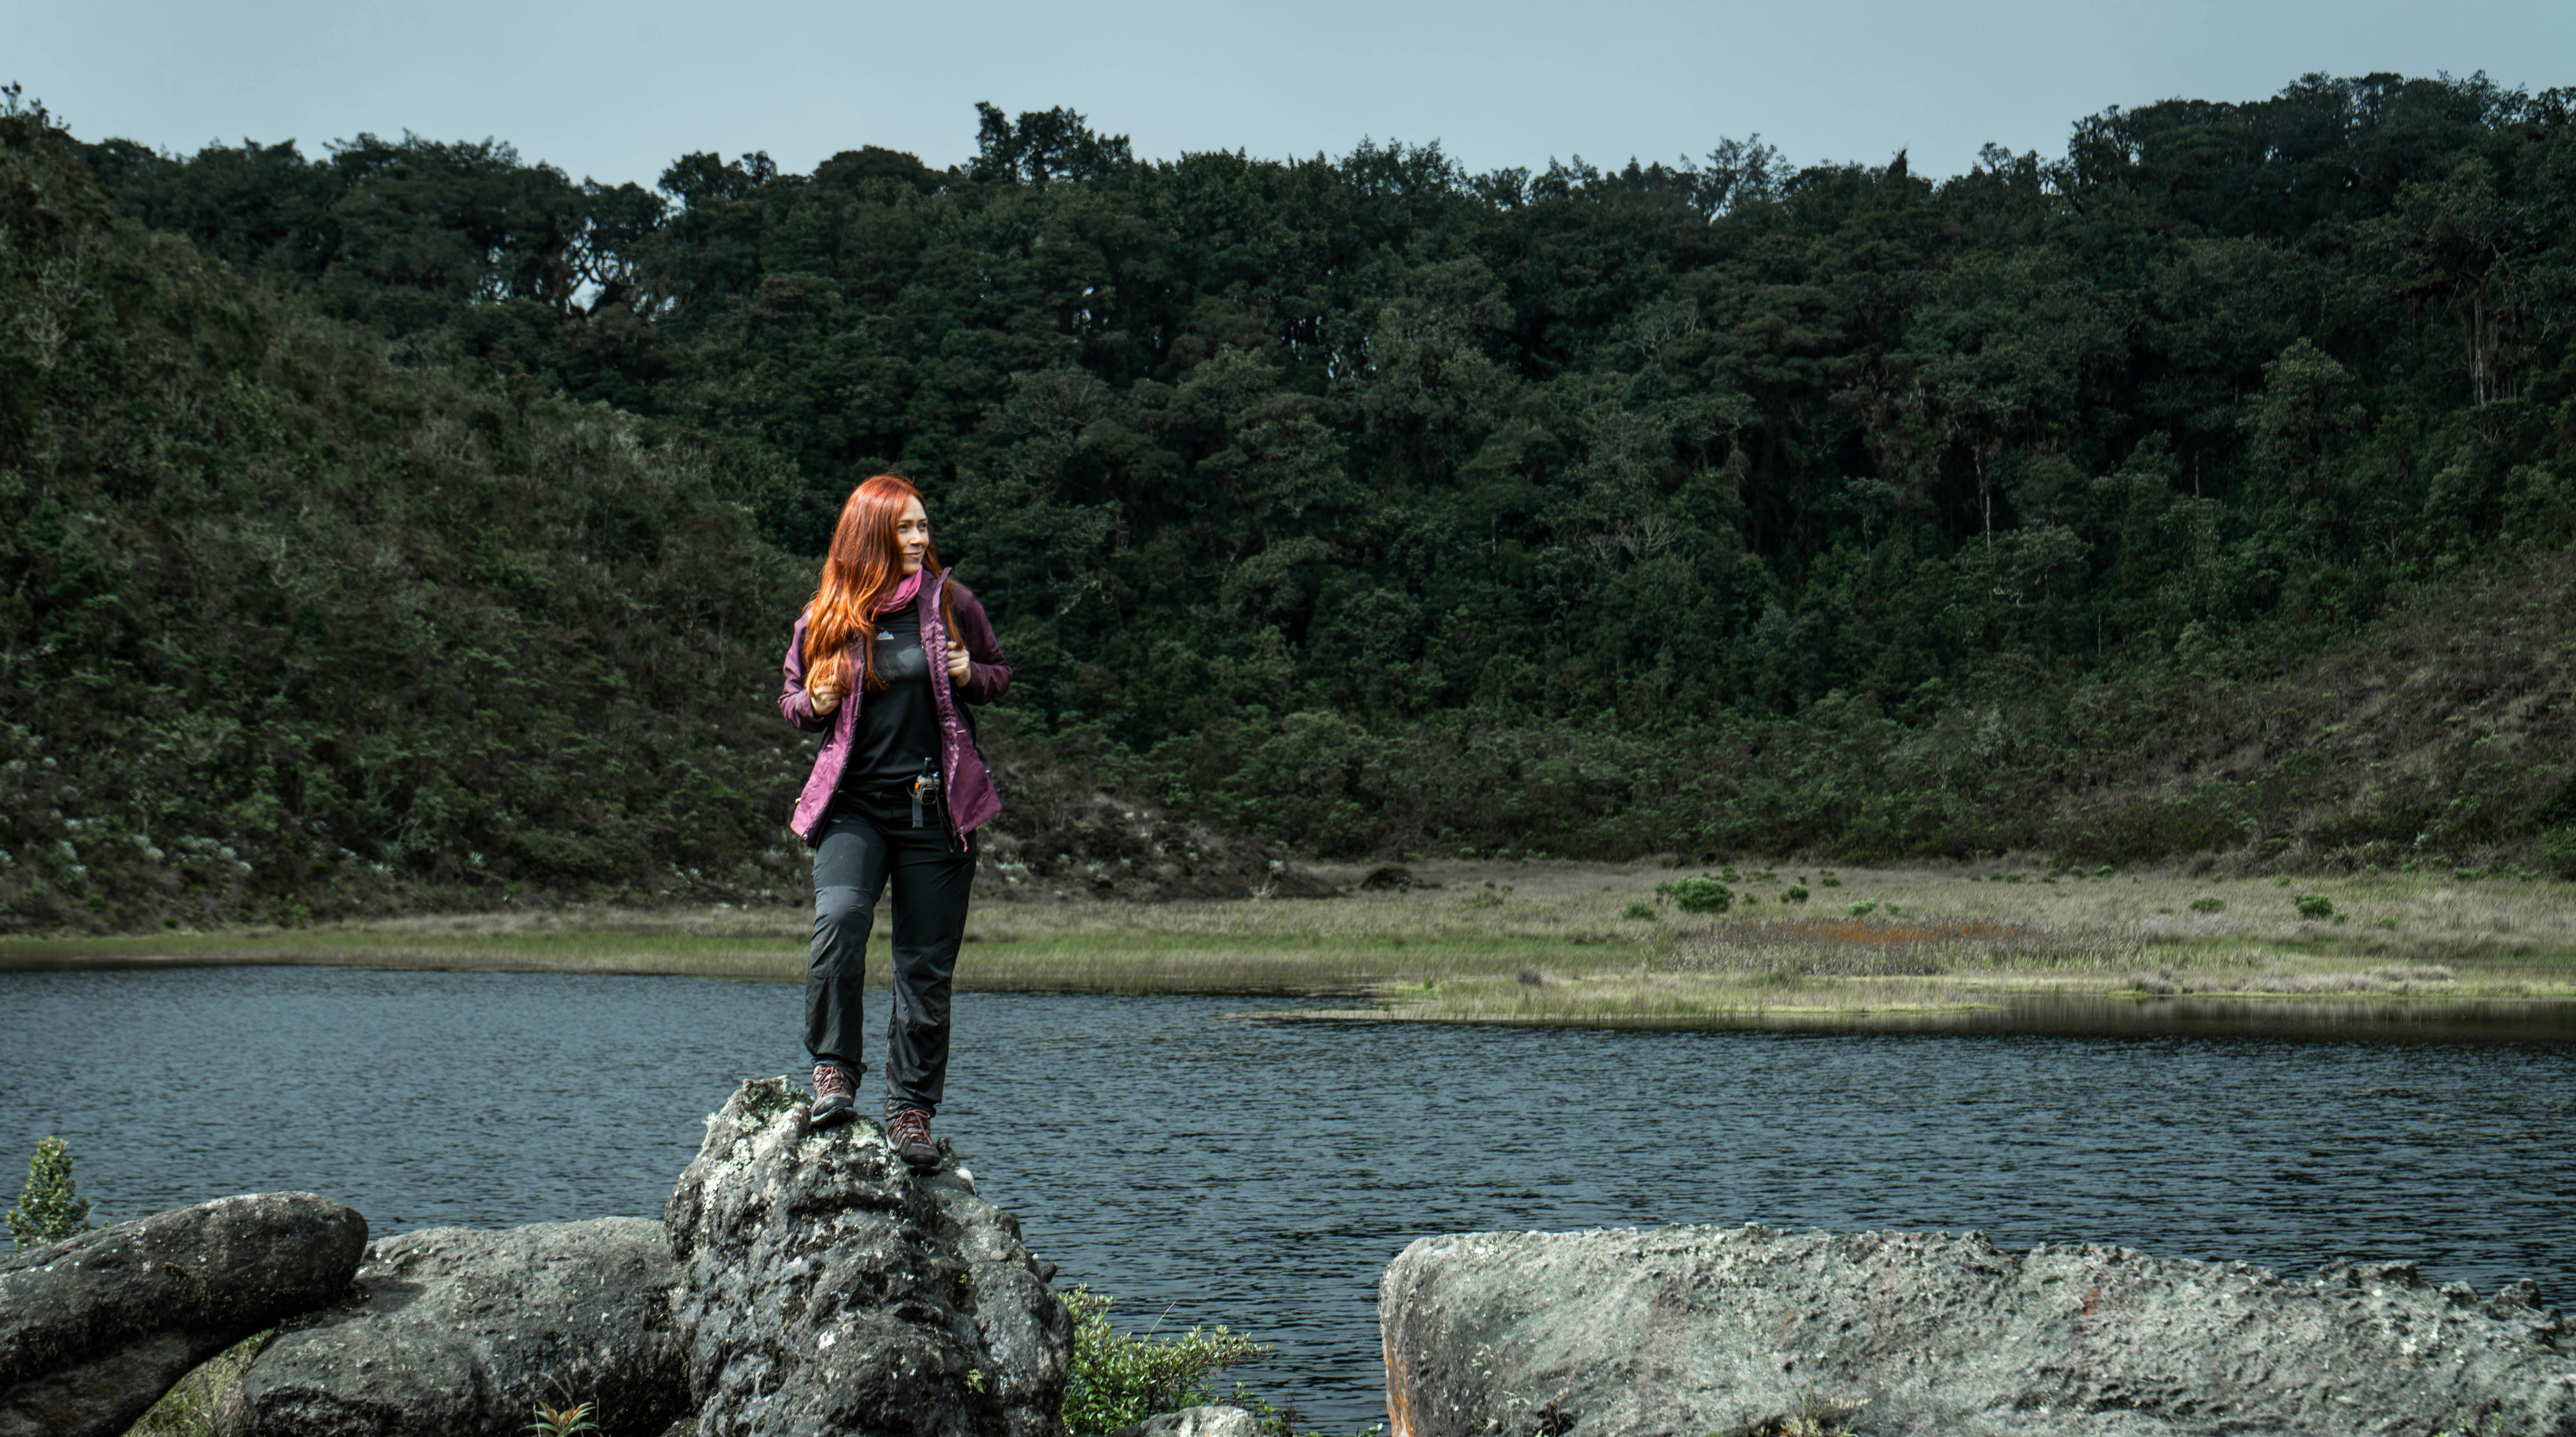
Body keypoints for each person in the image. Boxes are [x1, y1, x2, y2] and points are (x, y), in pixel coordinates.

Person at [777, 474, 1011, 1168]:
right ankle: (834, 1074)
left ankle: (910, 1113)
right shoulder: (828, 613)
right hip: (853, 809)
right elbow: (792, 699)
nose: (921, 540)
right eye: (906, 529)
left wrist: (973, 675)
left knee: (924, 967)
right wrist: (814, 700)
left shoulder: (952, 604)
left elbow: (999, 674)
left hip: (935, 811)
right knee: (840, 922)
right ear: (871, 535)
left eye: (923, 527)